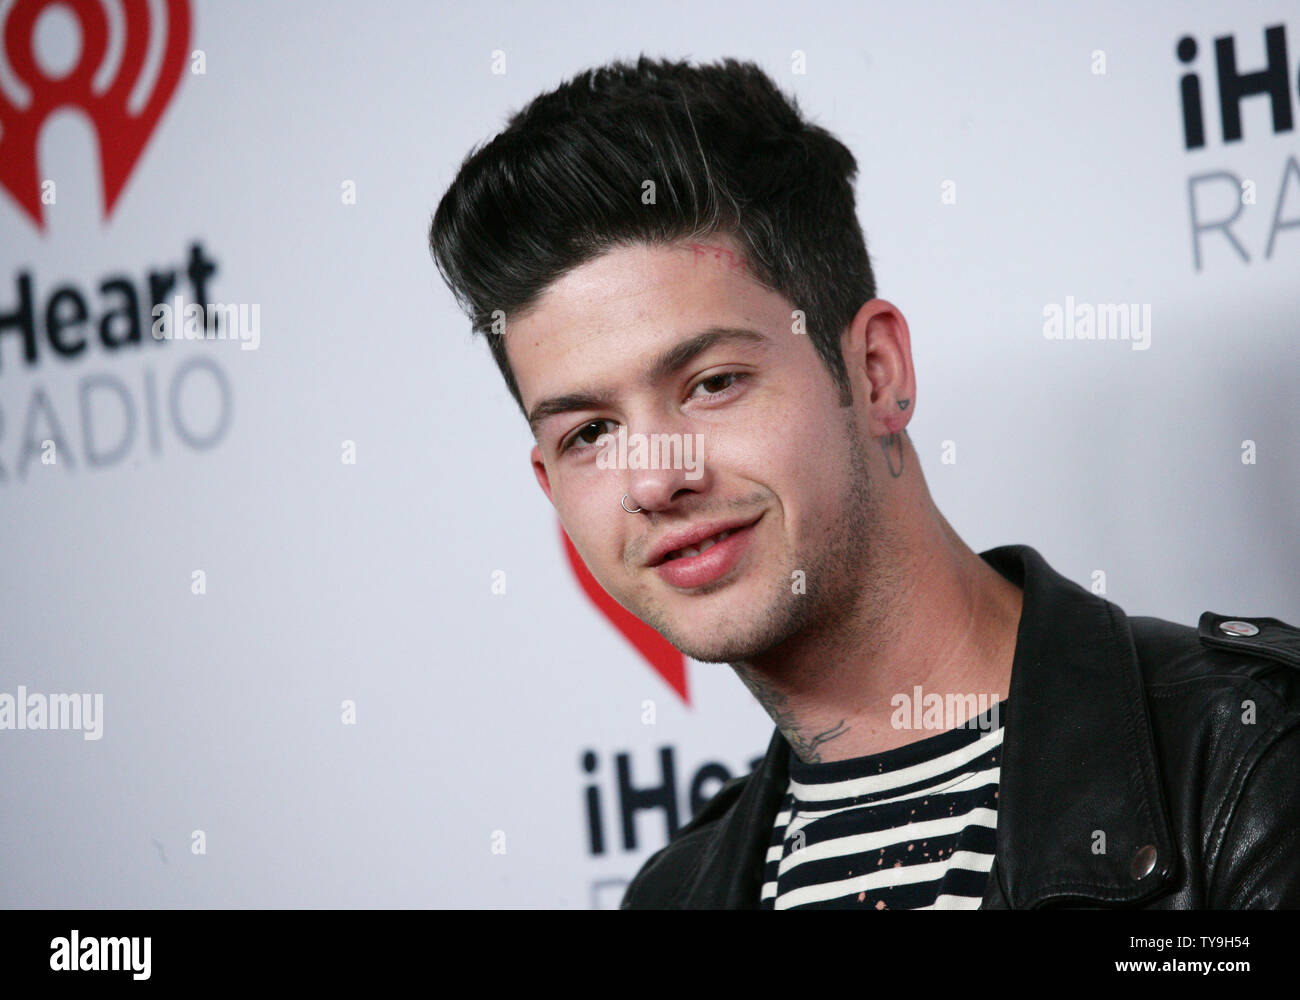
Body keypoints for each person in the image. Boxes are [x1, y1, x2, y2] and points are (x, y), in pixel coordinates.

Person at [428, 56, 1300, 909]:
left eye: (713, 382)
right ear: (549, 486)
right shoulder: (674, 892)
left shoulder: (1248, 762)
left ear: (876, 372)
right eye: (590, 433)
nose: (655, 482)